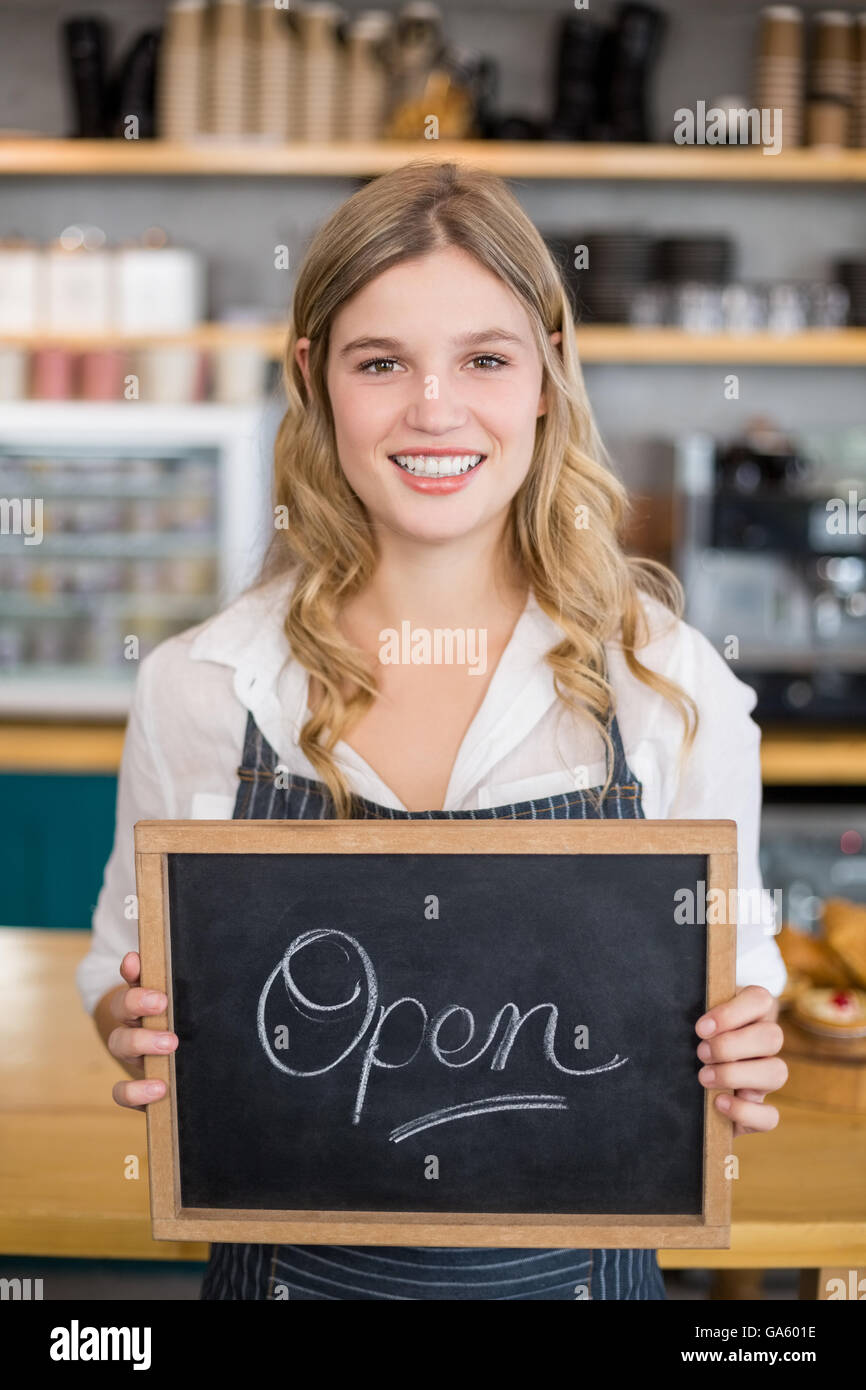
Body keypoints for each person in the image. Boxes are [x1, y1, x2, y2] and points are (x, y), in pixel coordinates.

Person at [77, 161, 788, 1301]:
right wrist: (132, 1019)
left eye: (485, 359)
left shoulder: (665, 688)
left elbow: (737, 986)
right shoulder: (201, 688)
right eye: (380, 362)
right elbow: (118, 964)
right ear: (312, 379)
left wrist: (745, 1048)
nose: (434, 407)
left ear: (548, 372)